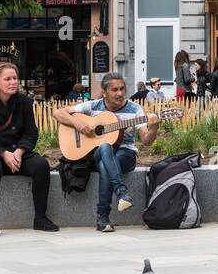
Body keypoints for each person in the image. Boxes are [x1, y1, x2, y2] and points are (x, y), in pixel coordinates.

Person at [56, 72, 160, 234]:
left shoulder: (135, 109)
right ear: (104, 92)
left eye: (122, 89)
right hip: (98, 155)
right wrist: (77, 123)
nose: (120, 93)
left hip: (126, 154)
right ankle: (121, 192)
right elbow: (58, 113)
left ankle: (103, 217)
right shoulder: (94, 106)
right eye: (114, 90)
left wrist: (153, 128)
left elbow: (146, 141)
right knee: (105, 148)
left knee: (107, 160)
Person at [0, 62, 57, 238]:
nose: (13, 82)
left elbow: (31, 133)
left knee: (41, 165)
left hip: (15, 151)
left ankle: (40, 218)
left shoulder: (23, 101)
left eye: (15, 78)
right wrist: (3, 153)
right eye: (7, 79)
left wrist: (19, 151)